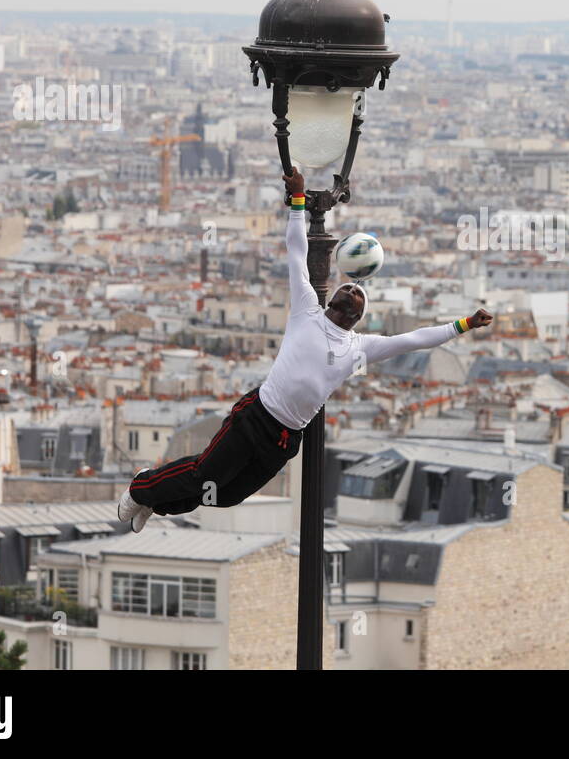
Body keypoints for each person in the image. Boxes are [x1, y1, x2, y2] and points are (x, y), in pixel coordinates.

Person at [117, 167, 493, 530]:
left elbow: (413, 340)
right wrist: (298, 199)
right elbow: (296, 251)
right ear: (333, 303)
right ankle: (142, 487)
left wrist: (462, 325)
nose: (352, 292)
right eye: (349, 290)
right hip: (258, 416)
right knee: (204, 474)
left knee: (224, 495)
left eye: (357, 294)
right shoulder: (306, 312)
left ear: (357, 317)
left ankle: (155, 502)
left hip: (284, 438)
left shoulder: (359, 348)